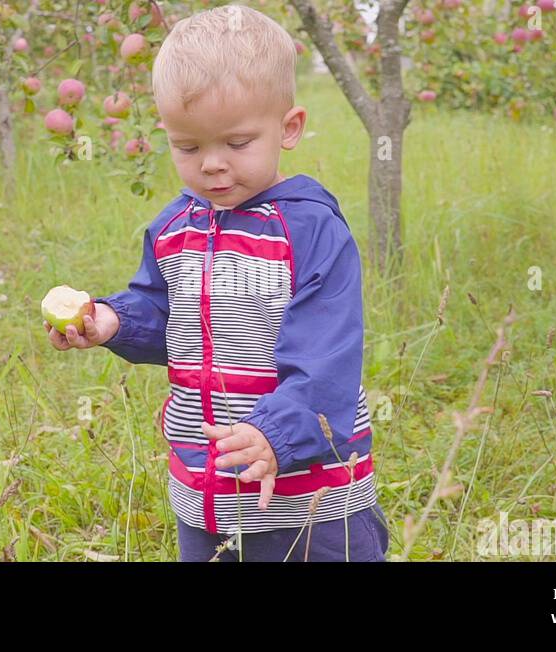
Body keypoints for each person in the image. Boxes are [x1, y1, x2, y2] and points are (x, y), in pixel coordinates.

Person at [44, 3, 389, 562]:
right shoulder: (174, 228)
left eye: (236, 143)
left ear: (290, 128)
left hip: (311, 501)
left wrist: (277, 433)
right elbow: (168, 320)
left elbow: (328, 357)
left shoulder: (310, 231)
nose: (211, 165)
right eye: (188, 147)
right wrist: (112, 322)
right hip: (206, 493)